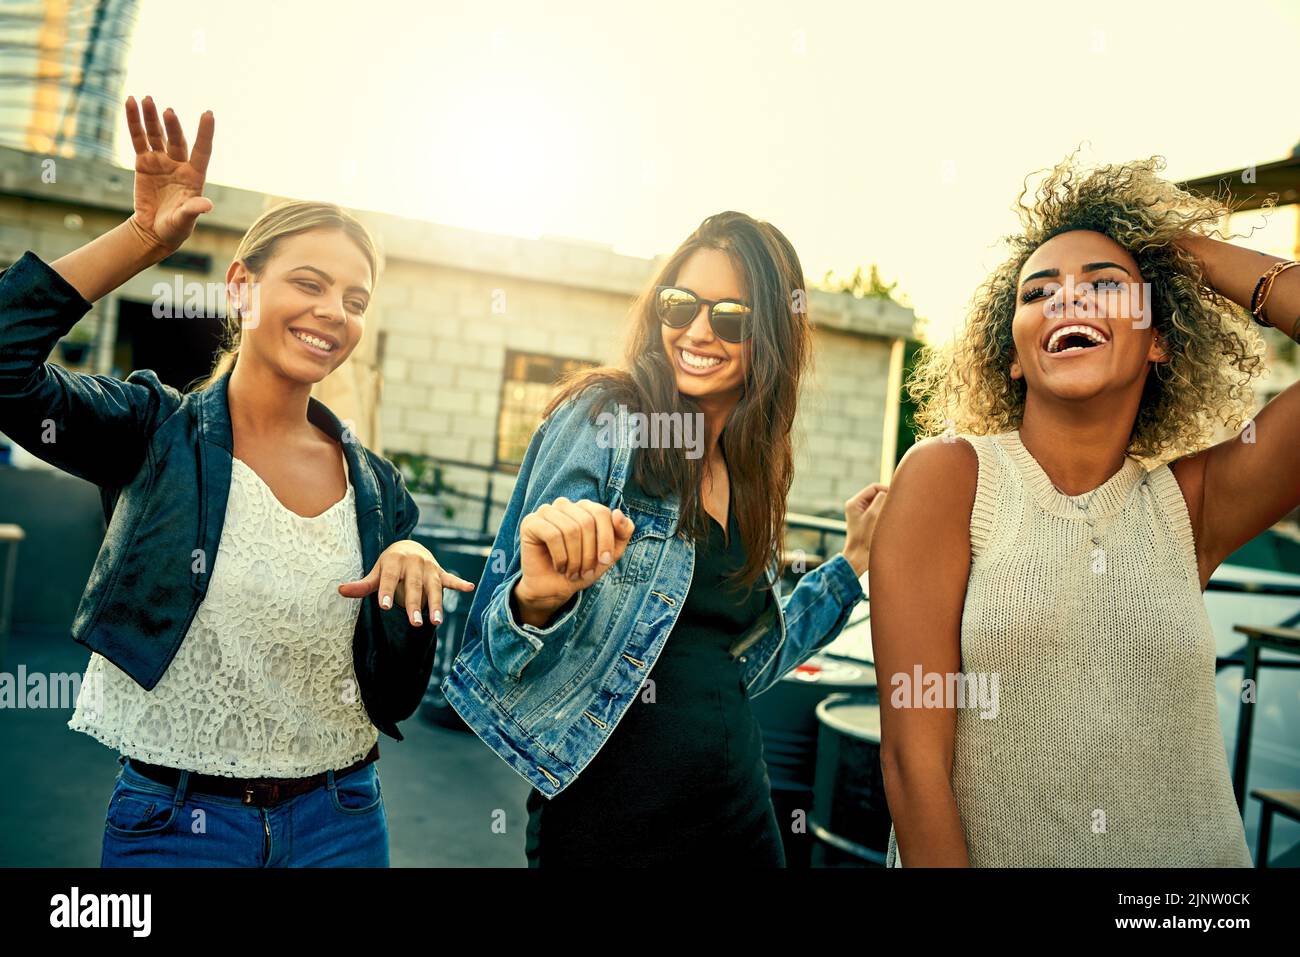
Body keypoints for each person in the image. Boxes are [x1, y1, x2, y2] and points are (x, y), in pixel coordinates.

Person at [0, 95, 473, 866]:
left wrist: (410, 564)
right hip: (176, 826)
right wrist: (140, 239)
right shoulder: (152, 430)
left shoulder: (381, 491)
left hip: (343, 820)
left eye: (355, 300)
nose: (334, 312)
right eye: (310, 284)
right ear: (243, 286)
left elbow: (399, 689)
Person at [872, 155, 1298, 866]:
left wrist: (1180, 252)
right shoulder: (949, 479)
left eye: (1104, 286)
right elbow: (914, 769)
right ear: (1011, 352)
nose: (1069, 300)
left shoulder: (1191, 505)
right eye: (1039, 292)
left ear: (1160, 337)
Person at [443, 210, 886, 866]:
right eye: (680, 305)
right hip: (609, 829)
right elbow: (502, 643)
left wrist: (851, 562)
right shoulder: (605, 419)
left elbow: (748, 659)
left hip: (740, 820)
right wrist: (538, 598)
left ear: (770, 333)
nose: (698, 330)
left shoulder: (749, 469)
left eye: (730, 315)